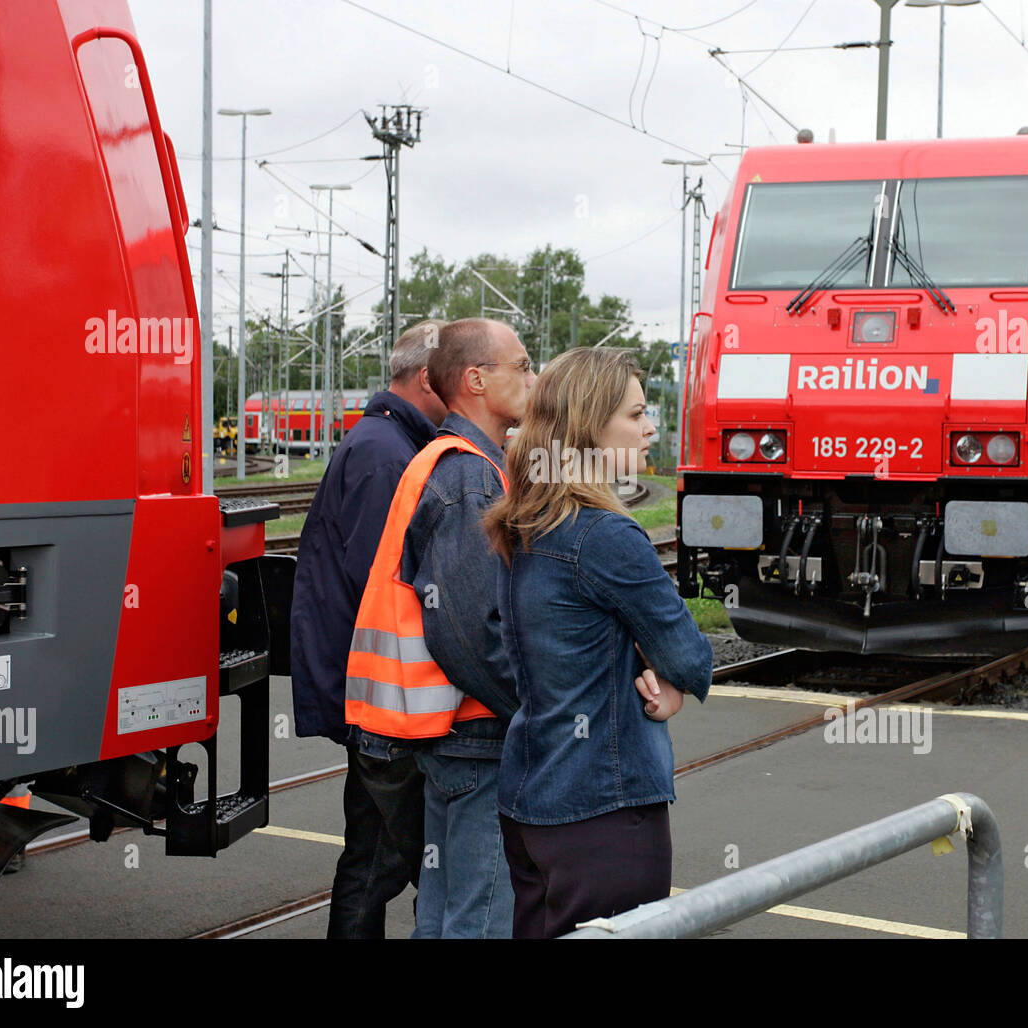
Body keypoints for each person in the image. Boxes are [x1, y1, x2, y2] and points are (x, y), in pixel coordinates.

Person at [484, 347, 713, 939]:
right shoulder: (606, 535)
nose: (651, 428)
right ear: (590, 426)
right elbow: (691, 656)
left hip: (530, 798)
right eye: (636, 415)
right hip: (604, 807)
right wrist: (670, 679)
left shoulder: (524, 524)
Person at [344, 317, 534, 938]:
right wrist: (534, 711)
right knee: (477, 919)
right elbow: (471, 631)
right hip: (463, 730)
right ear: (477, 380)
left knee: (443, 908)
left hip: (416, 724)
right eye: (523, 365)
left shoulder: (444, 461)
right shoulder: (471, 477)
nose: (533, 378)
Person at [289, 319, 448, 939]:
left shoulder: (385, 443)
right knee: (381, 856)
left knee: (378, 850)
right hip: (386, 696)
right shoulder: (388, 456)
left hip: (378, 691)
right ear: (429, 379)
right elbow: (387, 584)